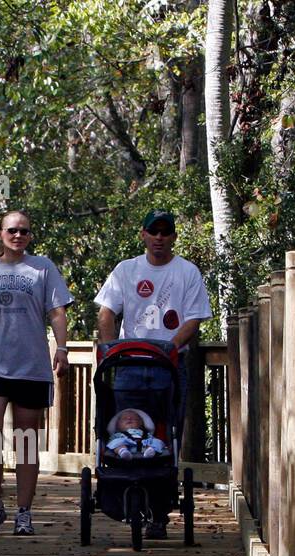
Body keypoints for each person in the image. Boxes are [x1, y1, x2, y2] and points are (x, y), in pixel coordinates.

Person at [94, 208, 212, 537]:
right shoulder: (126, 270)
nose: (159, 237)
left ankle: (158, 510)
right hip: (129, 364)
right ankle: (126, 495)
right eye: (153, 231)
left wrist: (170, 348)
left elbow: (193, 318)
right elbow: (107, 313)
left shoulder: (186, 272)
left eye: (165, 232)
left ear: (173, 236)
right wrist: (108, 350)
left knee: (166, 431)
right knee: (125, 425)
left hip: (168, 365)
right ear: (143, 235)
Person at [0, 209, 74, 535]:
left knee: (26, 440)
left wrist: (61, 349)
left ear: (30, 235)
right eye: (12, 230)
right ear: (0, 234)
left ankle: (24, 511)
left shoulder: (43, 268)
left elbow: (57, 311)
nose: (18, 235)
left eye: (24, 231)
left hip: (31, 365)